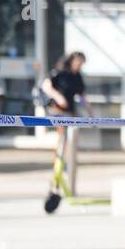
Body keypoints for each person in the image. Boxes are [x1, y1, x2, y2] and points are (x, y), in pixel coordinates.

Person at [41, 52, 87, 198]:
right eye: (78, 63)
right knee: (62, 141)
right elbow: (46, 86)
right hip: (57, 112)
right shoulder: (59, 73)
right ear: (72, 61)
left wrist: (92, 116)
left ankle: (63, 169)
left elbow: (83, 97)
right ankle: (58, 171)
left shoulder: (77, 77)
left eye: (82, 64)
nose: (80, 66)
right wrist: (58, 97)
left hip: (70, 114)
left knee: (68, 142)